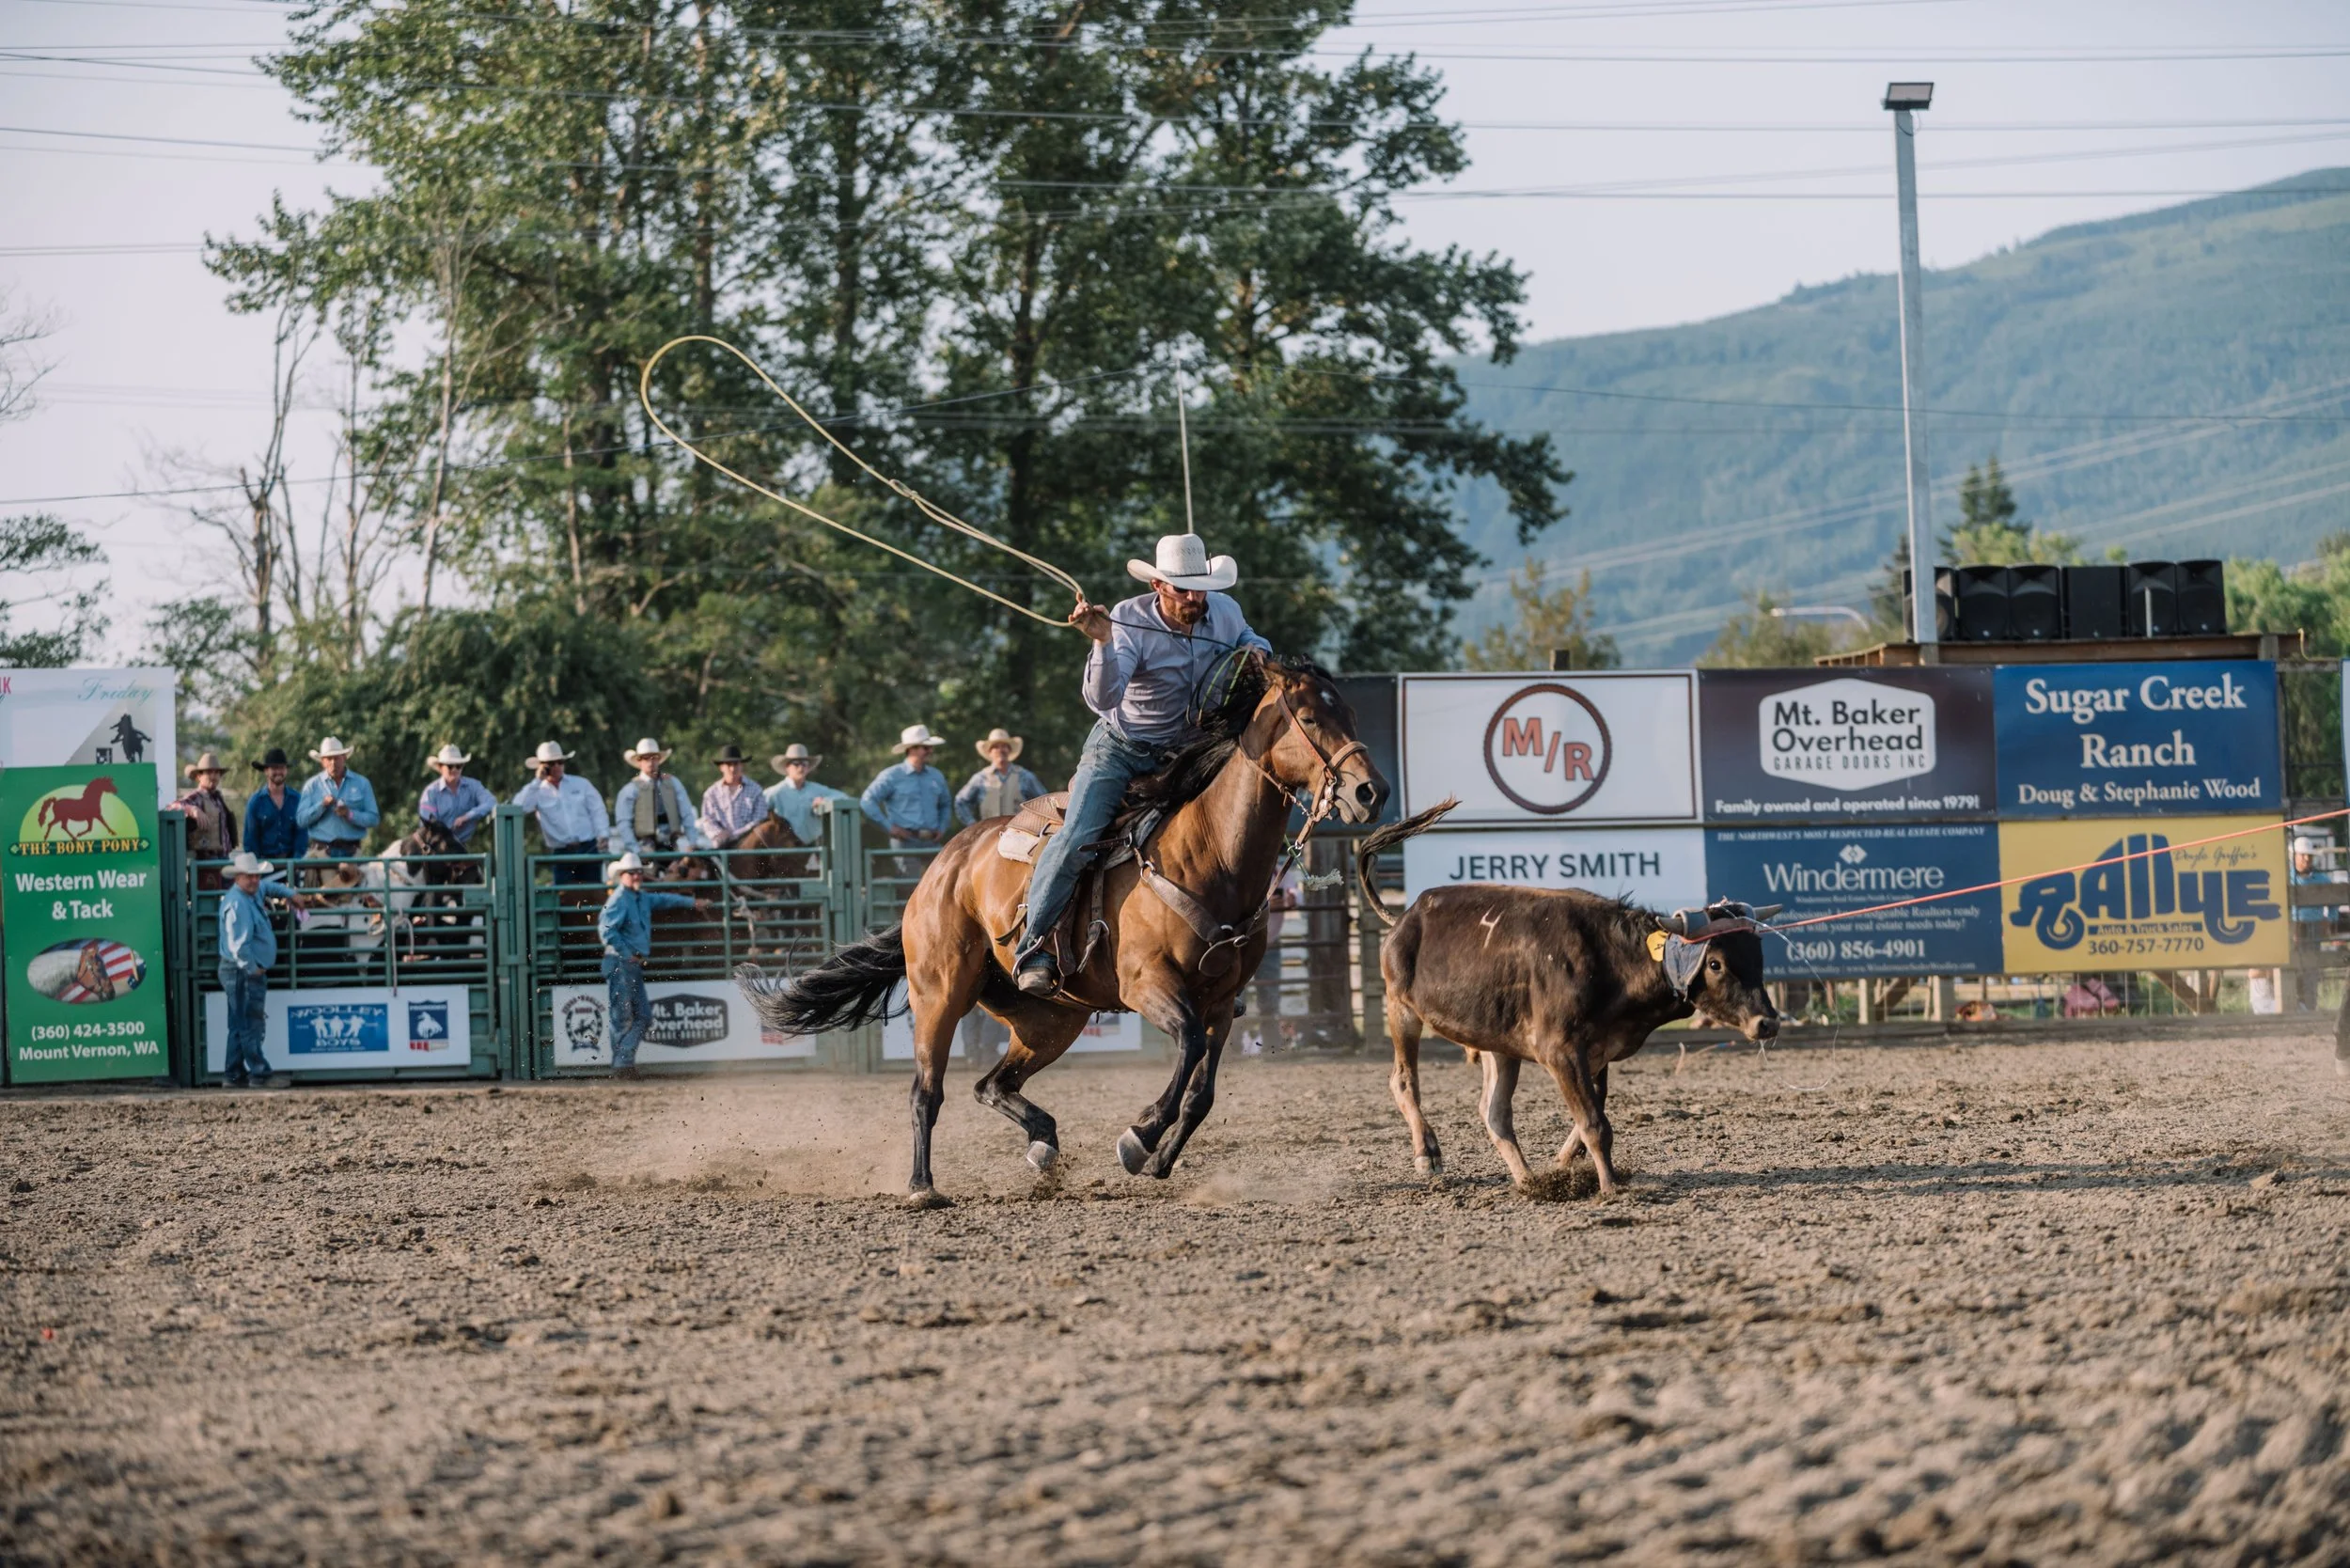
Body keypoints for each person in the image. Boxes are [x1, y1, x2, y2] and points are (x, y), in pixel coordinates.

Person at [1015, 531, 1270, 996]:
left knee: (1238, 826)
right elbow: (1103, 697)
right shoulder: (1127, 622)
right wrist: (1103, 644)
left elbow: (1250, 636)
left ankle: (1218, 963)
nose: (1194, 597)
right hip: (1122, 748)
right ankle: (1036, 947)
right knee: (1077, 839)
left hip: (1190, 751)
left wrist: (1258, 651)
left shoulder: (1225, 612)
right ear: (1158, 586)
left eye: (1200, 588)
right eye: (1182, 588)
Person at [599, 851, 710, 1079]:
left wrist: (692, 902)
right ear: (622, 875)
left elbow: (667, 899)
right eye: (633, 872)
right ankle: (622, 1066)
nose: (637, 876)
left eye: (639, 872)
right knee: (625, 1016)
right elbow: (606, 931)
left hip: (628, 963)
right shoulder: (620, 899)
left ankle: (623, 1062)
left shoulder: (640, 897)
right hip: (621, 962)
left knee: (641, 1016)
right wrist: (627, 953)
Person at [216, 849, 307, 1088]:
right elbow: (240, 947)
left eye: (256, 875)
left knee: (239, 1024)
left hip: (238, 970)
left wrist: (289, 893)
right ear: (238, 878)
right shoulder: (239, 903)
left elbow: (269, 888)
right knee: (250, 1023)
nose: (255, 880)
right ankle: (260, 1074)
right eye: (249, 876)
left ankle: (233, 1075)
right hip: (243, 971)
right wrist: (253, 969)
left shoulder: (249, 894)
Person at [511, 740, 610, 886]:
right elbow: (518, 807)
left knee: (592, 894)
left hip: (588, 846)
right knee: (564, 897)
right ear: (542, 767)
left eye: (560, 762)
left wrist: (603, 834)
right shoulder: (537, 791)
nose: (557, 766)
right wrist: (537, 781)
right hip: (561, 851)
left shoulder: (581, 784)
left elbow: (598, 810)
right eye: (551, 763)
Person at [862, 725, 956, 870]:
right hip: (905, 841)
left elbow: (945, 803)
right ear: (911, 749)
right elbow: (867, 801)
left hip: (931, 840)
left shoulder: (936, 775)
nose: (930, 751)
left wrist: (942, 827)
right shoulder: (892, 775)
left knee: (943, 884)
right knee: (908, 887)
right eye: (925, 748)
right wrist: (889, 827)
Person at [612, 737, 710, 857]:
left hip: (670, 845)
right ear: (639, 761)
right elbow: (623, 823)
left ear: (659, 760)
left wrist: (693, 843)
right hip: (643, 846)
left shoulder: (673, 783)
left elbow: (686, 813)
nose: (650, 762)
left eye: (654, 758)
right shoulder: (630, 789)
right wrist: (635, 850)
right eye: (646, 758)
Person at [295, 736, 380, 857]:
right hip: (321, 852)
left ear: (344, 758)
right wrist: (322, 805)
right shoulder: (312, 786)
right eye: (329, 759)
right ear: (322, 762)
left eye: (337, 758)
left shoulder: (362, 783)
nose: (333, 763)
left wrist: (349, 814)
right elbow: (301, 820)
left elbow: (373, 819)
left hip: (353, 852)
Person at [164, 751, 238, 888]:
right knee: (208, 901)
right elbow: (171, 807)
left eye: (216, 773)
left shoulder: (218, 798)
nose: (214, 776)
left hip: (223, 858)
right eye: (209, 772)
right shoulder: (196, 797)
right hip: (206, 860)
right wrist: (193, 810)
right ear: (199, 776)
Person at [956, 728, 1048, 827]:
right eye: (996, 747)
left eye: (1004, 746)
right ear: (990, 752)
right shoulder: (980, 778)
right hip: (988, 833)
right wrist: (972, 824)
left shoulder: (1025, 776)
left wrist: (1035, 824)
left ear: (1009, 750)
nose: (1001, 750)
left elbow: (1045, 801)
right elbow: (961, 801)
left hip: (1020, 832)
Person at [765, 744, 853, 846]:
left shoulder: (816, 789)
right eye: (796, 764)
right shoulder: (775, 792)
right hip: (785, 851)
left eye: (804, 764)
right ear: (787, 767)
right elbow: (755, 811)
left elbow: (844, 797)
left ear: (808, 767)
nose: (801, 767)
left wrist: (825, 801)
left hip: (811, 849)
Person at [417, 744, 495, 847]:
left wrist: (467, 816)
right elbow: (427, 824)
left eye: (458, 766)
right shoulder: (430, 792)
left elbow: (491, 802)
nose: (454, 770)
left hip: (465, 846)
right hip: (438, 849)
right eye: (450, 766)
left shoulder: (473, 786)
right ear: (441, 768)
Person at [698, 744, 771, 849]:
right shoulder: (711, 793)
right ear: (721, 767)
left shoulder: (755, 790)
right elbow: (707, 820)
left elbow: (760, 819)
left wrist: (736, 834)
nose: (733, 768)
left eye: (736, 764)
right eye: (728, 765)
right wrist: (720, 833)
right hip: (722, 846)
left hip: (750, 846)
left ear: (741, 765)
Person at [243, 747, 307, 865]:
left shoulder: (297, 799)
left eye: (282, 768)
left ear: (286, 770)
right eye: (274, 768)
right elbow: (250, 840)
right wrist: (258, 866)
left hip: (291, 863)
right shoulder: (255, 802)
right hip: (264, 864)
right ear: (266, 771)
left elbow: (302, 835)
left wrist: (296, 862)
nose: (278, 772)